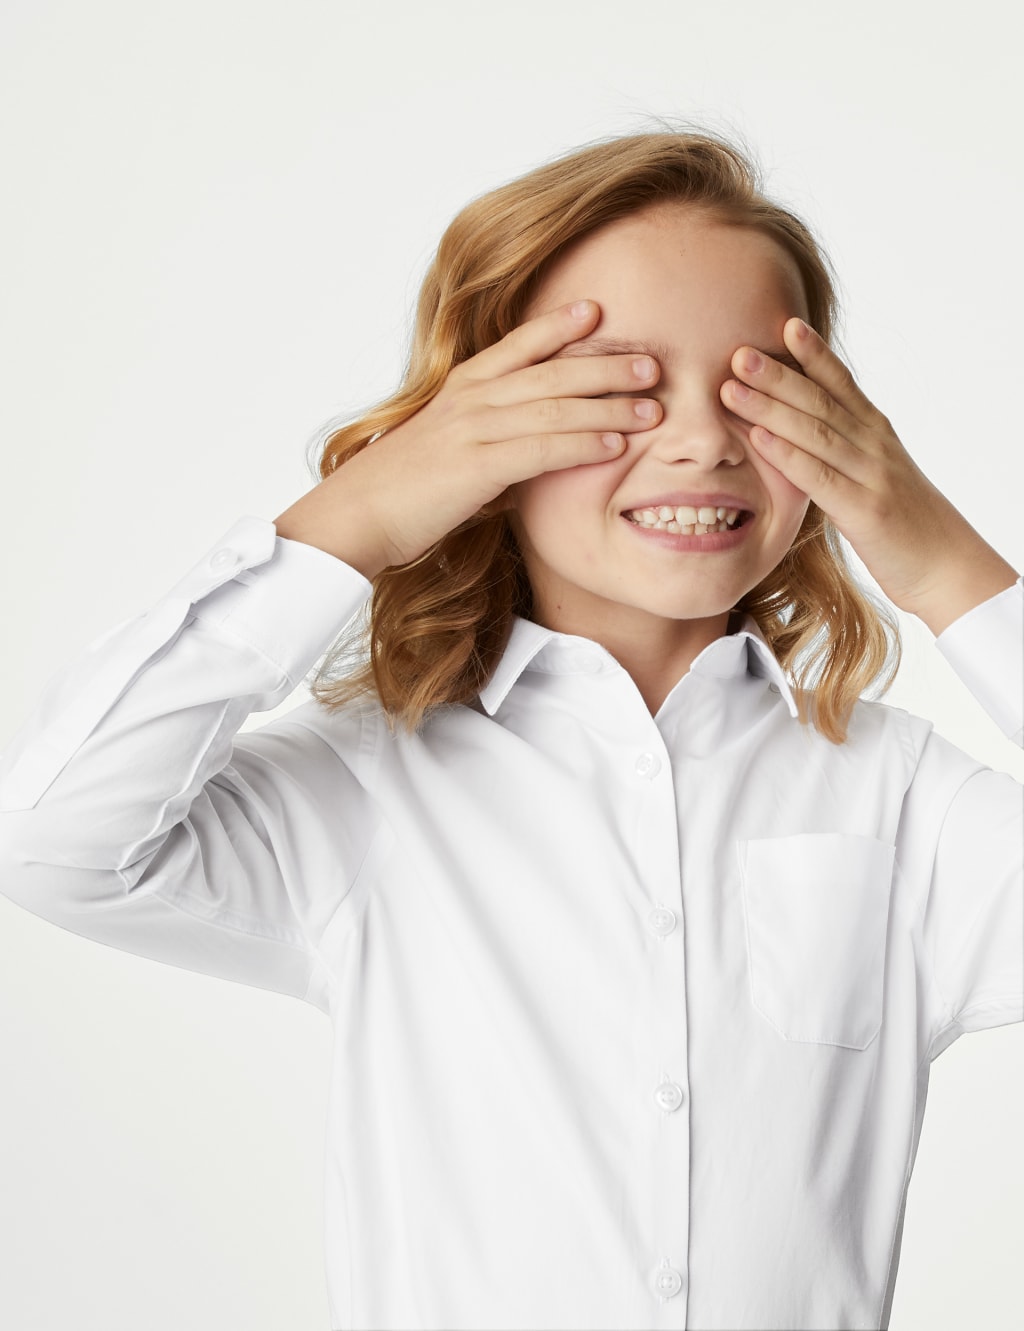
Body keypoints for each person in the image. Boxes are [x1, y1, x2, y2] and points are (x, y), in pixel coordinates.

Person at [0, 127, 1020, 1331]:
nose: (703, 440)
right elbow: (57, 836)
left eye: (762, 391)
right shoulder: (365, 790)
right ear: (480, 424)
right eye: (616, 387)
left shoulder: (902, 802)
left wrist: (946, 566)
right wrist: (366, 508)